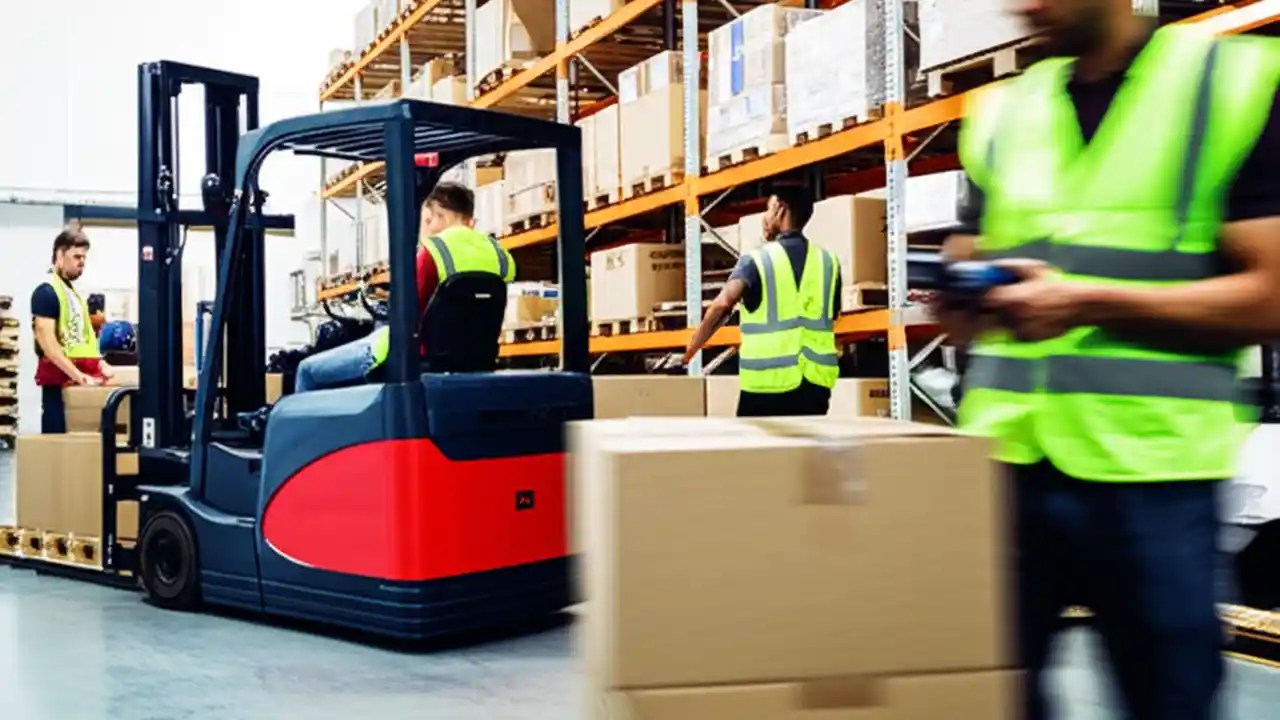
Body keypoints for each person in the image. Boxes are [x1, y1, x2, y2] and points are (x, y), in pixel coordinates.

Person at [940, 3, 1280, 719]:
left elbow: (1271, 296)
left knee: (1168, 701)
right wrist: (963, 288)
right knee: (989, 694)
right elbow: (968, 262)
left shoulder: (1229, 85)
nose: (1026, 6)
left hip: (1155, 474)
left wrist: (1088, 301)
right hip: (1007, 463)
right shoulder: (1005, 112)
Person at [294, 182, 516, 392]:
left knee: (307, 371)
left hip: (406, 352)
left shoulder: (433, 251)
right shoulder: (500, 255)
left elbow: (405, 311)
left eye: (427, 220)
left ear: (438, 217)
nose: (424, 228)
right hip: (476, 357)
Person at [683, 185, 842, 416]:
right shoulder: (828, 262)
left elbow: (723, 304)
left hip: (767, 385)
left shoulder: (757, 259)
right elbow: (832, 315)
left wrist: (692, 348)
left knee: (756, 441)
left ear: (780, 210)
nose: (765, 218)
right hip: (815, 385)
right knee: (804, 441)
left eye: (768, 209)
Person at [31, 228, 115, 433]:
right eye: (76, 257)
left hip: (80, 379)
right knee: (60, 437)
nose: (82, 262)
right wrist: (78, 375)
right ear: (60, 256)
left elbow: (81, 336)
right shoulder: (47, 292)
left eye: (84, 257)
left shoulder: (73, 294)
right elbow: (47, 342)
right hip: (61, 385)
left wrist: (100, 363)